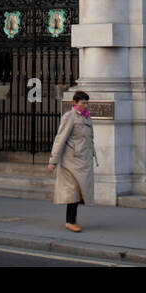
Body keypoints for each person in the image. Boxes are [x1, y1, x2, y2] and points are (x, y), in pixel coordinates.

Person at [48, 91, 95, 232]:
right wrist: (53, 161)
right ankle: (70, 221)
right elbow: (60, 139)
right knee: (73, 191)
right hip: (71, 161)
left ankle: (72, 219)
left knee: (80, 191)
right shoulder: (70, 117)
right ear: (75, 103)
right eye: (83, 103)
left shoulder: (87, 118)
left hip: (84, 160)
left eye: (87, 103)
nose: (86, 106)